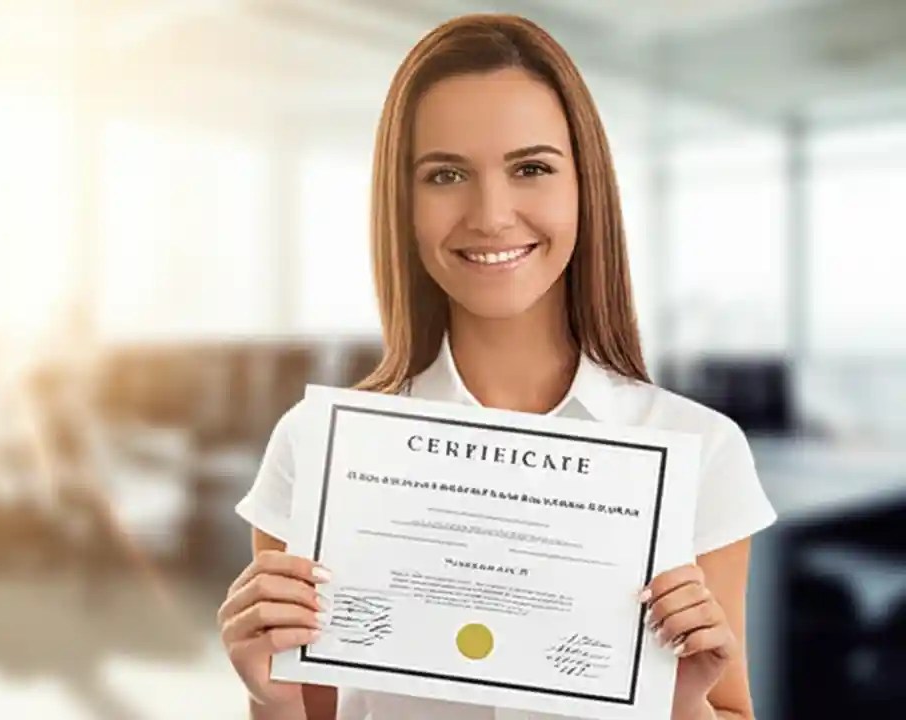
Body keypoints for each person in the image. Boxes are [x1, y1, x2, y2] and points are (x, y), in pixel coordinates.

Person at [217, 13, 777, 720]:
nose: (491, 214)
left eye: (531, 168)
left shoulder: (702, 453)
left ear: (585, 186)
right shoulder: (315, 448)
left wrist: (680, 705)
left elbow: (723, 706)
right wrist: (269, 699)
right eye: (445, 174)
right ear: (403, 201)